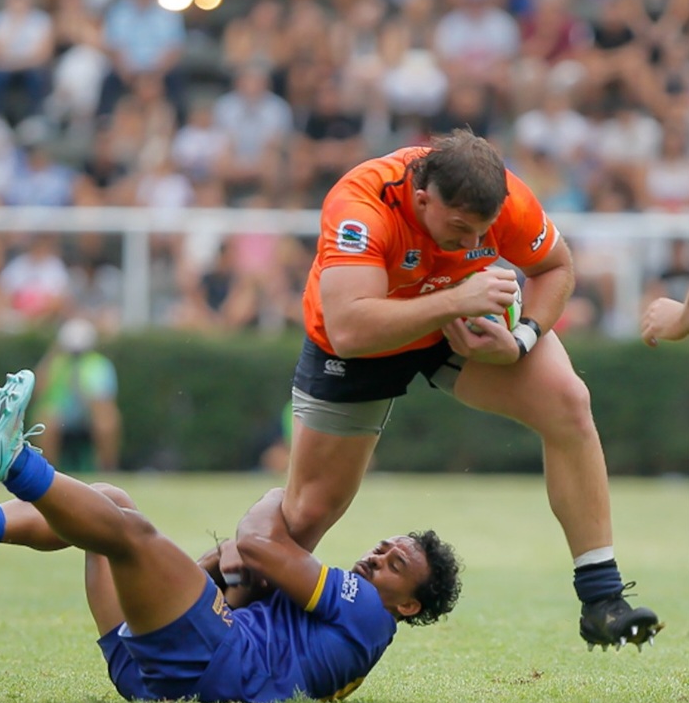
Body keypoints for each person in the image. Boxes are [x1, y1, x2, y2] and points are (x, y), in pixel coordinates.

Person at [273, 128, 661, 652]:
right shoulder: (361, 202)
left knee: (568, 404)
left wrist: (521, 341)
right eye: (458, 228)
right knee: (305, 516)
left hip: (453, 326)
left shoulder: (504, 200)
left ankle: (601, 599)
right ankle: (237, 616)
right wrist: (459, 299)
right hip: (362, 343)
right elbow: (349, 328)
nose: (472, 243)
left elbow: (556, 267)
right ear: (422, 198)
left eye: (483, 231)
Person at [0, 368, 462, 703]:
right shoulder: (331, 623)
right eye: (386, 547)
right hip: (163, 671)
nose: (378, 557)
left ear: (409, 605)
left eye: (396, 564)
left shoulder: (367, 611)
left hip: (210, 664)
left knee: (131, 533)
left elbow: (259, 544)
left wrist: (276, 499)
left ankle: (18, 464)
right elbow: (206, 585)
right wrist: (225, 569)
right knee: (112, 505)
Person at [32, 318, 122, 472]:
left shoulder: (98, 364)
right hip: (60, 416)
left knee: (106, 419)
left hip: (88, 417)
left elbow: (102, 400)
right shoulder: (55, 363)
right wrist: (51, 357)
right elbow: (36, 392)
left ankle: (107, 469)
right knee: (47, 420)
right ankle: (46, 473)